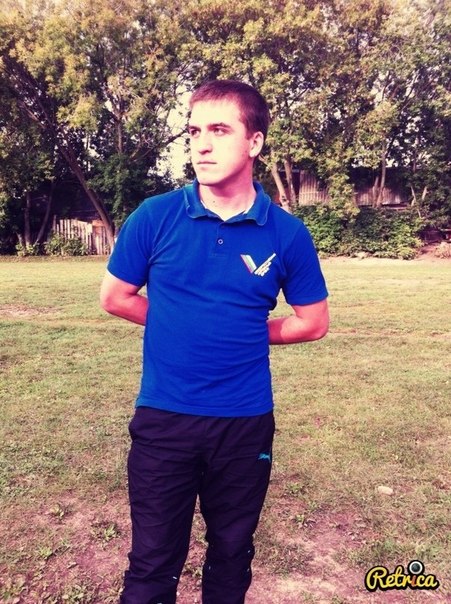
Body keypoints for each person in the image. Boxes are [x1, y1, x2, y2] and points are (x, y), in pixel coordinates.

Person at [100, 79, 329, 604]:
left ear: (254, 142)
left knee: (231, 554)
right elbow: (115, 297)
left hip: (244, 423)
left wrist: (243, 331)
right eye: (194, 131)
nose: (201, 145)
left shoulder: (287, 233)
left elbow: (313, 322)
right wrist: (181, 322)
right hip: (164, 419)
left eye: (219, 130)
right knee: (152, 562)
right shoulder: (155, 216)